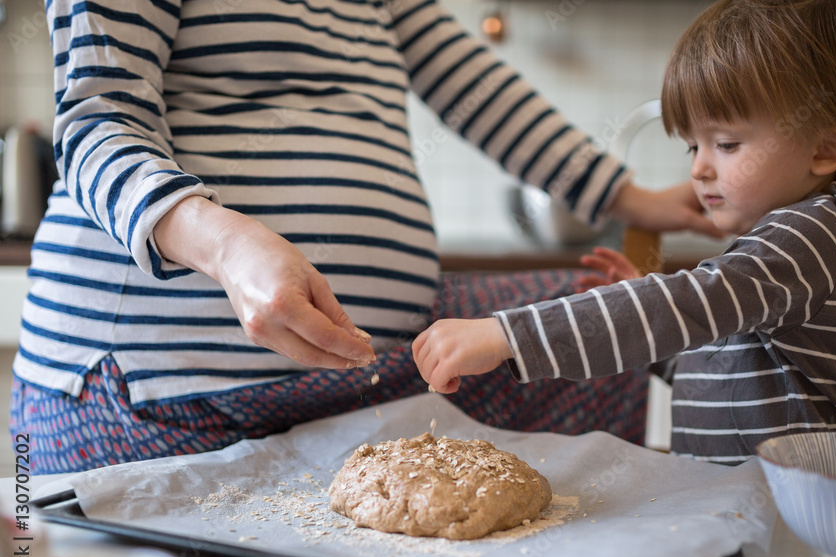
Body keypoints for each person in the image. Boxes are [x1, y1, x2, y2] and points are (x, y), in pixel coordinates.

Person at [11, 0, 720, 473]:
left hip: (362, 381)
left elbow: (481, 91)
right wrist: (227, 247)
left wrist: (641, 201)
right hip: (158, 395)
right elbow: (98, 121)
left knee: (589, 320)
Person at [413, 0, 836, 463]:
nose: (700, 168)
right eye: (693, 147)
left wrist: (509, 333)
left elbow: (681, 304)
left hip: (797, 528)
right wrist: (658, 349)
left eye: (726, 143)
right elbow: (719, 367)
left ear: (825, 150)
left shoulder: (810, 236)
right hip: (739, 515)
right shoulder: (776, 246)